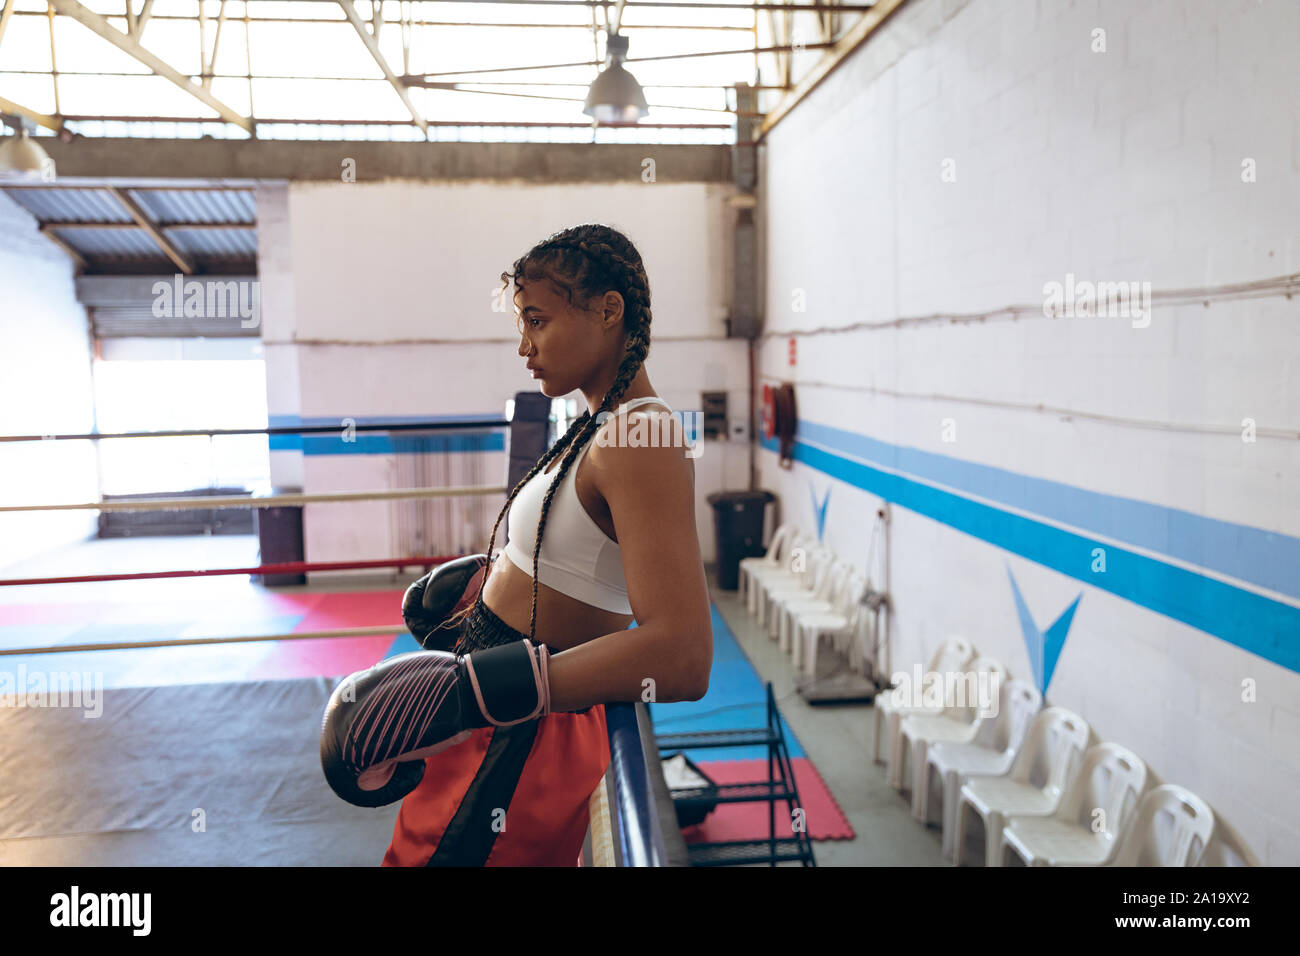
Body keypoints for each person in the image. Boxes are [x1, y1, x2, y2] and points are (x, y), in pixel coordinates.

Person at [376, 223, 713, 866]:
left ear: (608, 311)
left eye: (537, 320)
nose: (524, 345)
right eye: (519, 325)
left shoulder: (643, 437)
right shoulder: (598, 426)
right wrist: (484, 596)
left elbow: (684, 655)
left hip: (520, 736)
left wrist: (492, 687)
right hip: (499, 715)